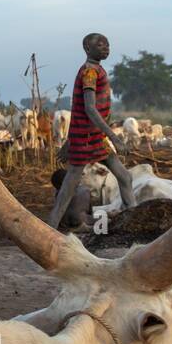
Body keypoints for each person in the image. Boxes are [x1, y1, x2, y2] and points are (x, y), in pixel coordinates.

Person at [47, 33, 134, 228]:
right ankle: (50, 226)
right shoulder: (89, 73)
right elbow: (88, 108)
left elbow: (77, 110)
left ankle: (132, 219)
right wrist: (115, 138)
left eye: (108, 44)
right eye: (101, 45)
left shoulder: (96, 70)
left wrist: (69, 142)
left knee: (125, 176)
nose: (106, 48)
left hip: (96, 137)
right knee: (68, 187)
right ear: (87, 48)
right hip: (86, 139)